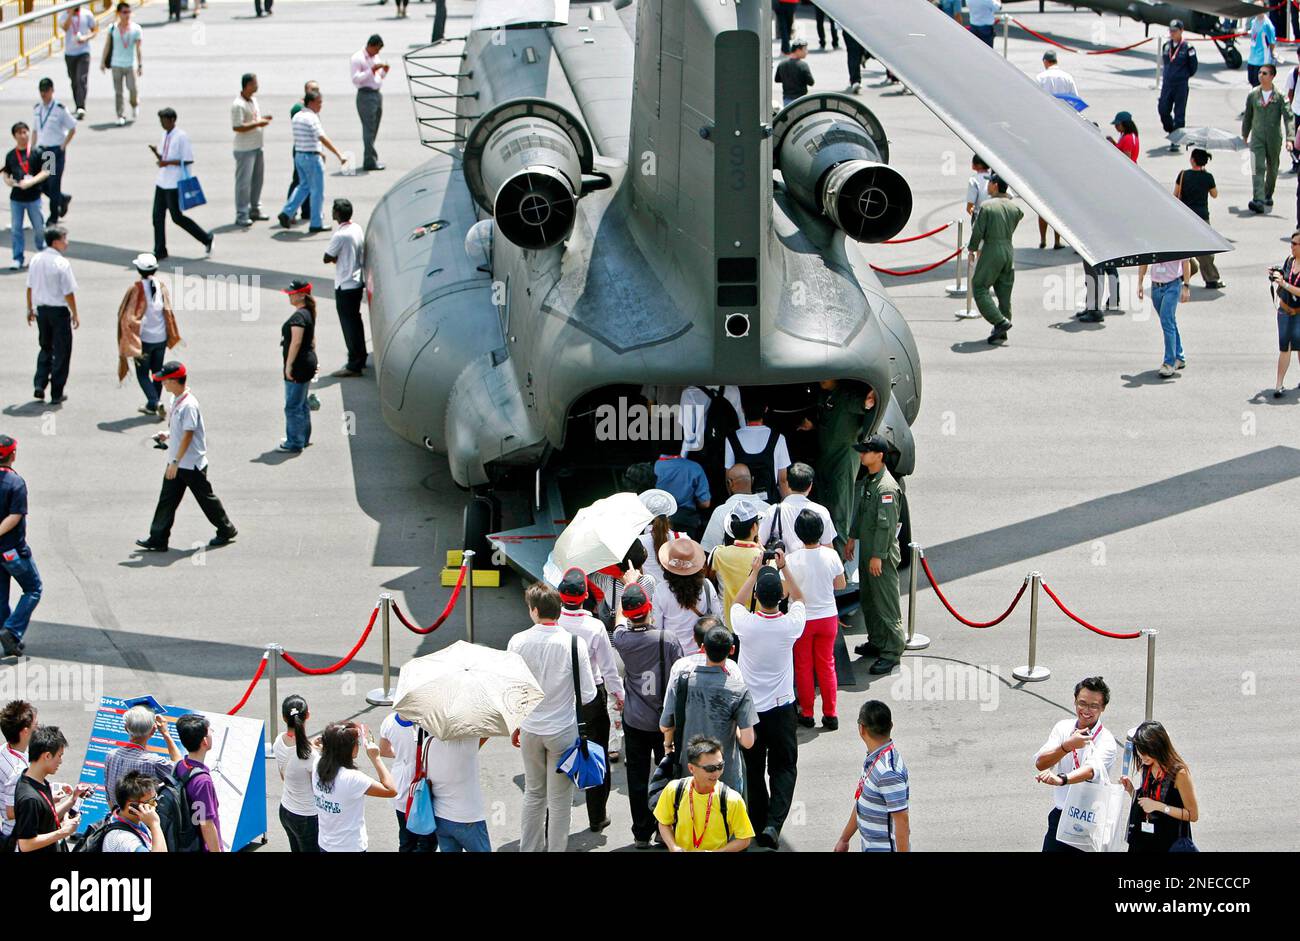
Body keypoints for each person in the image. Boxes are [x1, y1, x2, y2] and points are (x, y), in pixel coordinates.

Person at [508, 581, 597, 852]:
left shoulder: (518, 642)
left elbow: (512, 689)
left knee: (534, 794)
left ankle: (529, 848)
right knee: (560, 801)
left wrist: (516, 723)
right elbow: (588, 693)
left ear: (534, 611)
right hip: (563, 729)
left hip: (530, 727)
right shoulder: (574, 643)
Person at [731, 556, 804, 848]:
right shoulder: (789, 626)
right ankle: (774, 824)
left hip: (751, 711)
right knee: (784, 766)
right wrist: (784, 567)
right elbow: (799, 597)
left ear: (758, 597)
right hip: (783, 707)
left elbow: (736, 603)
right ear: (780, 597)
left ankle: (759, 820)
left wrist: (753, 572)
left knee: (752, 766)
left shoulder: (745, 624)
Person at [135, 362, 239, 552]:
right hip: (178, 462)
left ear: (175, 381)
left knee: (206, 499)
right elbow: (181, 430)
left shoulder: (189, 405)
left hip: (189, 465)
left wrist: (175, 461)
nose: (163, 384)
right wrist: (168, 435)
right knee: (167, 499)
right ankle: (157, 538)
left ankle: (226, 528)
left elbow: (189, 434)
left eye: (165, 381)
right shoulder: (176, 399)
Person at [612, 584, 685, 847]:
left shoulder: (622, 640)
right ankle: (665, 828)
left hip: (635, 719)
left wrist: (627, 589)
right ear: (649, 609)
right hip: (665, 720)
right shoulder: (668, 639)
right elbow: (680, 678)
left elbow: (619, 620)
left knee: (637, 776)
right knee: (668, 773)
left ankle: (641, 831)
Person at [556, 567, 624, 832]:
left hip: (560, 700)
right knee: (596, 755)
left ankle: (557, 821)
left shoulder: (553, 624)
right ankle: (597, 816)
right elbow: (608, 669)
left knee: (560, 755)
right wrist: (619, 696)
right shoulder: (595, 627)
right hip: (592, 699)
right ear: (586, 596)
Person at [660, 624, 758, 797]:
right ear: (732, 650)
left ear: (703, 648)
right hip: (727, 776)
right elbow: (748, 742)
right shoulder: (739, 690)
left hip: (690, 771)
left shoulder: (681, 683)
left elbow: (665, 726)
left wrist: (668, 745)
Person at [1033, 676, 1119, 852]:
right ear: (1074, 701)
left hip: (1089, 819)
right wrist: (1066, 746)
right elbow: (1041, 763)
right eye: (1082, 703)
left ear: (1103, 708)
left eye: (1094, 706)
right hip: (1062, 815)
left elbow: (1089, 771)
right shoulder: (1063, 728)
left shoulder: (1107, 741)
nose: (1086, 710)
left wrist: (1061, 779)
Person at [847, 435, 905, 675]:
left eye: (866, 452)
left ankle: (892, 651)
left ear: (879, 455)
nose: (861, 455)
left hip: (879, 554)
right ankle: (878, 640)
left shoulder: (886, 488)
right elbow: (861, 513)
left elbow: (886, 527)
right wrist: (852, 537)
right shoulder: (871, 480)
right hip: (869, 551)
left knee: (886, 602)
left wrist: (878, 556)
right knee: (869, 599)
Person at [800, 380, 874, 559]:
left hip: (844, 459)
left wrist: (870, 398)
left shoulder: (848, 396)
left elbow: (867, 403)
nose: (822, 380)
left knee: (840, 509)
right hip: (825, 457)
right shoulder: (824, 394)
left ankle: (839, 559)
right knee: (823, 506)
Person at [786, 510, 846, 729]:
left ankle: (808, 712)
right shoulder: (831, 556)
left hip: (802, 618)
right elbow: (840, 585)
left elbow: (786, 592)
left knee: (803, 666)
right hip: (828, 616)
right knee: (827, 664)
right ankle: (830, 713)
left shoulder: (791, 560)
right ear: (821, 531)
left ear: (798, 533)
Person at [653, 735, 754, 852]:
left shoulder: (732, 799)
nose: (716, 773)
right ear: (691, 768)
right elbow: (664, 823)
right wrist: (673, 847)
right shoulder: (674, 790)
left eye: (720, 766)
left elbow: (745, 838)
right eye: (710, 768)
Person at [833, 700, 910, 851]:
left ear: (861, 729)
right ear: (891, 726)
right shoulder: (874, 760)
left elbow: (902, 823)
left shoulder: (888, 773)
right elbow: (863, 801)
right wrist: (845, 838)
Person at [311, 721, 397, 852]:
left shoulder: (316, 764)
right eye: (357, 743)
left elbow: (317, 748)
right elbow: (391, 790)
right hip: (350, 847)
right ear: (347, 749)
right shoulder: (352, 778)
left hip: (325, 844)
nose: (358, 746)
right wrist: (376, 758)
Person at [116, 252, 180, 419]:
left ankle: (154, 401)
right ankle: (153, 404)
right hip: (161, 338)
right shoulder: (161, 286)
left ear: (138, 269)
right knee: (157, 371)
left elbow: (125, 315)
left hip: (143, 340)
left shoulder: (135, 289)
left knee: (142, 373)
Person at [1122, 720, 1199, 853]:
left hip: (1168, 840)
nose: (1142, 756)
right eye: (1140, 750)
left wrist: (1160, 807)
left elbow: (1192, 815)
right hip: (1144, 838)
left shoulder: (1179, 773)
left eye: (1147, 751)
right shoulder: (1146, 766)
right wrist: (1132, 791)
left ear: (1158, 747)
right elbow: (1147, 800)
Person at [10, 726, 88, 853]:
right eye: (59, 756)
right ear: (47, 756)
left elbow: (46, 818)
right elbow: (26, 844)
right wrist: (64, 831)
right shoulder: (30, 798)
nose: (61, 761)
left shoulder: (37, 780)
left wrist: (72, 800)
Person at [152, 108, 213, 260]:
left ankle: (205, 237)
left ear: (172, 120)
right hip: (162, 182)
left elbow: (188, 159)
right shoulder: (165, 135)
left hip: (173, 183)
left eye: (164, 121)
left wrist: (166, 162)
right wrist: (157, 155)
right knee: (157, 216)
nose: (162, 124)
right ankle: (160, 250)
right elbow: (165, 156)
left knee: (177, 217)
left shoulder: (181, 137)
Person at [279, 91, 345, 232]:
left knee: (303, 187)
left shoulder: (297, 117)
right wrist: (338, 154)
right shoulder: (312, 118)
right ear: (311, 102)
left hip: (299, 155)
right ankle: (316, 223)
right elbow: (321, 137)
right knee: (317, 192)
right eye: (319, 102)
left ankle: (287, 211)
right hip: (312, 158)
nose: (321, 105)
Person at [967, 173, 1021, 343]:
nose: (988, 186)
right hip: (1008, 249)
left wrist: (972, 249)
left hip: (992, 248)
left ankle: (1000, 322)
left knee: (979, 285)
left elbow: (978, 231)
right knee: (1004, 292)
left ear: (995, 185)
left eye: (989, 182)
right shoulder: (1014, 208)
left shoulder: (987, 206)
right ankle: (1002, 330)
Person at [25, 226, 77, 404]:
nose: (66, 243)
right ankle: (56, 391)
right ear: (56, 242)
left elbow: (30, 287)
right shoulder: (62, 263)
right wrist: (75, 313)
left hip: (42, 311)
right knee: (62, 351)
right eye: (64, 239)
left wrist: (29, 308)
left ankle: (39, 383)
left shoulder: (36, 259)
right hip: (59, 312)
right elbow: (68, 292)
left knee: (45, 346)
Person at [0, 439, 40, 658]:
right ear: (12, 455)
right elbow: (15, 516)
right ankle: (12, 631)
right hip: (12, 551)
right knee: (33, 589)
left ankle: (5, 635)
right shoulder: (15, 483)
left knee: (0, 595)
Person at [423, 731, 491, 853]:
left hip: (440, 818)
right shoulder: (467, 743)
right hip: (468, 819)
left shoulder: (427, 743)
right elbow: (488, 728)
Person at [103, 704, 181, 807]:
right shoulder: (153, 762)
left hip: (118, 817)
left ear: (126, 728)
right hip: (144, 820)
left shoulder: (110, 756)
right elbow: (180, 768)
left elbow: (108, 795)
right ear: (153, 730)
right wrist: (165, 733)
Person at [379, 711, 435, 852]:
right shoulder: (429, 721)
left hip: (400, 783)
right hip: (425, 785)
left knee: (406, 838)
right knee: (428, 839)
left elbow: (384, 750)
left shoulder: (389, 721)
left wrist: (400, 755)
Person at [1243, 64, 1295, 214]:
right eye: (1259, 72)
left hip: (1273, 137)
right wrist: (1245, 134)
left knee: (1272, 168)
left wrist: (1290, 139)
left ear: (1272, 76)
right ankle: (1257, 199)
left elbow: (1288, 117)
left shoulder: (1280, 96)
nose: (1261, 75)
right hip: (1257, 137)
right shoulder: (1253, 94)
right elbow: (1248, 115)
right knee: (1257, 166)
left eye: (1264, 73)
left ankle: (1267, 193)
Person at [323, 198, 367, 376]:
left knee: (348, 326)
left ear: (337, 214)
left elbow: (327, 257)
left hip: (345, 284)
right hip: (356, 281)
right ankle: (360, 357)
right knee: (356, 323)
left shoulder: (340, 235)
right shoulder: (356, 228)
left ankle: (353, 364)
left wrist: (335, 258)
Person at [724, 387, 791, 502]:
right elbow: (783, 480)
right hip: (770, 502)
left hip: (742, 503)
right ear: (766, 409)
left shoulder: (731, 438)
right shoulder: (778, 438)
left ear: (743, 410)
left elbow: (728, 477)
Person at [653, 539, 721, 651]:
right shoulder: (707, 586)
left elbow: (657, 629)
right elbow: (718, 618)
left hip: (672, 654)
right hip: (703, 652)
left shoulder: (661, 590)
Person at [272, 694, 318, 852]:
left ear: (284, 718)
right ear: (308, 715)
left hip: (286, 810)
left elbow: (284, 776)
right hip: (307, 816)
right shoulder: (312, 755)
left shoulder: (278, 741)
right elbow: (319, 789)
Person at [708, 502, 765, 627]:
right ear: (755, 527)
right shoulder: (764, 558)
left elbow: (711, 577)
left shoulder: (718, 553)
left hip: (727, 622)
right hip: (756, 622)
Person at [173, 714, 223, 852]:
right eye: (209, 731)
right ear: (204, 741)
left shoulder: (180, 765)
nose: (212, 732)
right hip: (201, 846)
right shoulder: (202, 781)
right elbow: (206, 823)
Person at [1174, 149, 1223, 288]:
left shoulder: (1183, 175)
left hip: (1186, 217)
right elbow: (1214, 194)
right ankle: (1211, 279)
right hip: (1202, 217)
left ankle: (1181, 273)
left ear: (1193, 160)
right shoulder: (1208, 177)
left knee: (1184, 248)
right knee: (1205, 250)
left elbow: (1175, 194)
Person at [279, 280, 318, 453]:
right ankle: (303, 438)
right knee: (301, 404)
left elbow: (296, 342)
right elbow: (312, 340)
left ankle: (294, 442)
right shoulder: (308, 313)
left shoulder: (298, 317)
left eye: (292, 293)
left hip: (299, 366)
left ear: (302, 295)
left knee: (293, 405)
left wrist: (288, 366)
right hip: (307, 363)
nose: (289, 295)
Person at [1136, 258, 1192, 378]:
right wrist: (1140, 283)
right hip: (1156, 286)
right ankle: (1179, 356)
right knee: (1169, 321)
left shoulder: (1176, 242)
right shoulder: (1151, 241)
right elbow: (1144, 260)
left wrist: (1186, 286)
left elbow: (1186, 262)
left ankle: (1169, 363)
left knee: (1166, 321)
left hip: (1173, 285)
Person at [4, 122, 48, 270]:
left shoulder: (37, 152)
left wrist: (32, 182)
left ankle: (42, 253)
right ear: (14, 136)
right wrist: (8, 181)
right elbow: (6, 172)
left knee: (39, 227)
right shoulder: (11, 155)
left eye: (25, 132)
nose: (23, 136)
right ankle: (17, 257)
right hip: (17, 198)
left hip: (34, 196)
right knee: (16, 229)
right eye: (19, 133)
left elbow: (46, 171)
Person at [761, 462, 834, 550]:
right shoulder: (821, 511)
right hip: (811, 563)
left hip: (781, 562)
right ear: (810, 486)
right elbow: (828, 548)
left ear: (788, 483)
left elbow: (760, 543)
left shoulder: (773, 511)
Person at [700, 464, 772, 553]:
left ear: (729, 483)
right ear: (752, 480)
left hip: (729, 565)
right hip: (763, 565)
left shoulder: (721, 511)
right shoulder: (770, 510)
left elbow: (708, 550)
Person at [33, 78, 76, 224]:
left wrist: (63, 146)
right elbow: (35, 130)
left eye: (46, 90)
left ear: (52, 90)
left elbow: (72, 128)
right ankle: (61, 198)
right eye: (41, 91)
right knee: (41, 183)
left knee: (53, 183)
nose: (43, 94)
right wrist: (31, 149)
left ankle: (53, 216)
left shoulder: (59, 109)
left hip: (54, 151)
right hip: (43, 151)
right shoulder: (38, 109)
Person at [232, 73, 270, 228]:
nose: (257, 86)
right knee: (243, 183)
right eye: (255, 83)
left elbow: (253, 119)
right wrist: (259, 124)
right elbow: (237, 126)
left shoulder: (253, 100)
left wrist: (260, 121)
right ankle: (242, 214)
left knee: (257, 181)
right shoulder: (238, 105)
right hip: (244, 149)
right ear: (247, 85)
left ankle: (255, 209)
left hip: (257, 146)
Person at [102, 771, 168, 852]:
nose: (156, 804)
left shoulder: (134, 819)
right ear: (132, 806)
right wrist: (155, 824)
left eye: (156, 798)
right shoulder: (124, 841)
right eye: (151, 801)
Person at [351, 35, 389, 172]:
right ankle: (369, 160)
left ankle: (370, 156)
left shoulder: (375, 58)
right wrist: (371, 70)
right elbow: (356, 79)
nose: (378, 53)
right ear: (371, 46)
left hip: (376, 94)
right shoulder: (358, 58)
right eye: (377, 49)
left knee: (374, 127)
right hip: (365, 95)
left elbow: (377, 77)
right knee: (368, 129)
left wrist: (383, 72)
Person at [652, 449, 711, 538]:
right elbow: (705, 503)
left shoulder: (653, 467)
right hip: (686, 521)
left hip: (658, 520)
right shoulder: (694, 467)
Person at [1269, 231, 1300, 397]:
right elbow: (1283, 278)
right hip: (1285, 311)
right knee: (1285, 347)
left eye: (1295, 244)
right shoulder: (1290, 260)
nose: (1292, 246)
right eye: (1291, 243)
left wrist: (1285, 284)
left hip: (1299, 312)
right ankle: (1279, 384)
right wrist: (1276, 275)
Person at [0, 700, 36, 842]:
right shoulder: (18, 771)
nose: (38, 728)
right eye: (35, 725)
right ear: (25, 731)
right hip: (17, 836)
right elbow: (11, 812)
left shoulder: (4, 750)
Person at [101, 3, 142, 127]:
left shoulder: (136, 29)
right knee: (118, 92)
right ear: (118, 13)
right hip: (116, 64)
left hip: (130, 64)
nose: (127, 15)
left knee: (132, 88)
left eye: (129, 12)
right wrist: (103, 61)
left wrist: (140, 65)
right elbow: (107, 45)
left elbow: (138, 49)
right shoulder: (112, 28)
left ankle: (134, 104)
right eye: (124, 12)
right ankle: (120, 115)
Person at [1158, 21, 1197, 148]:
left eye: (1175, 31)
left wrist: (1183, 76)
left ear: (1181, 31)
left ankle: (1176, 140)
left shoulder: (1188, 48)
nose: (1172, 33)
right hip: (1167, 83)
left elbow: (1193, 67)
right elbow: (1165, 62)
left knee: (1179, 113)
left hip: (1180, 84)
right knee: (1163, 109)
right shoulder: (1166, 46)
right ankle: (1171, 130)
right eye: (1171, 31)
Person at [285, 81, 320, 224]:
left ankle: (307, 211)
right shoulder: (299, 108)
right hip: (301, 148)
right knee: (299, 181)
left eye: (317, 89)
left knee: (308, 182)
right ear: (306, 91)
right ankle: (290, 212)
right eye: (313, 89)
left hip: (311, 147)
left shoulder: (313, 107)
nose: (316, 91)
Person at [637, 489, 686, 585]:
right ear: (668, 516)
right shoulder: (682, 538)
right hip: (678, 596)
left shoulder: (638, 542)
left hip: (650, 598)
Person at [61, 4, 98, 119]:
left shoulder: (87, 14)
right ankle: (77, 103)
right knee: (74, 81)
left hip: (83, 51)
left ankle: (81, 106)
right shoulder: (64, 15)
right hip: (70, 53)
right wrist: (71, 13)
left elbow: (94, 30)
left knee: (81, 78)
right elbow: (65, 28)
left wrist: (86, 38)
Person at [775, 39, 814, 107]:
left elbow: (777, 79)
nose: (806, 52)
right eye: (805, 49)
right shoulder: (803, 65)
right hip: (801, 100)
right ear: (798, 50)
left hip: (786, 100)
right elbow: (811, 82)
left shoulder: (782, 64)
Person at [1247, 10, 1277, 89]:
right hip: (1252, 57)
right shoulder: (1254, 22)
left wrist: (1273, 52)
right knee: (1251, 80)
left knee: (1258, 83)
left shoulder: (1267, 25)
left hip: (1262, 59)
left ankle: (1259, 99)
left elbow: (1272, 40)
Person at [965, 154, 992, 220]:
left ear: (978, 165)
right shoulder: (995, 177)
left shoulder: (974, 179)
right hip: (996, 215)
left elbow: (970, 206)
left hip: (981, 216)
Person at [844, 30, 866, 95]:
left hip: (860, 27)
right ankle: (855, 80)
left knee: (856, 52)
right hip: (850, 29)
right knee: (853, 52)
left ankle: (854, 79)